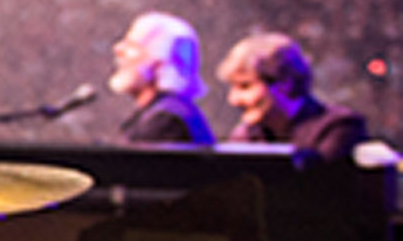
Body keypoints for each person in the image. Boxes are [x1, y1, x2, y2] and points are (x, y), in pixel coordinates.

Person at [218, 30, 367, 162]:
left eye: (245, 86)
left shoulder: (337, 128)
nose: (234, 100)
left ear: (285, 83)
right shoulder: (245, 136)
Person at [109, 12, 215, 145]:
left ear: (159, 61)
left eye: (132, 45)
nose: (118, 49)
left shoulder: (166, 120)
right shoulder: (163, 113)